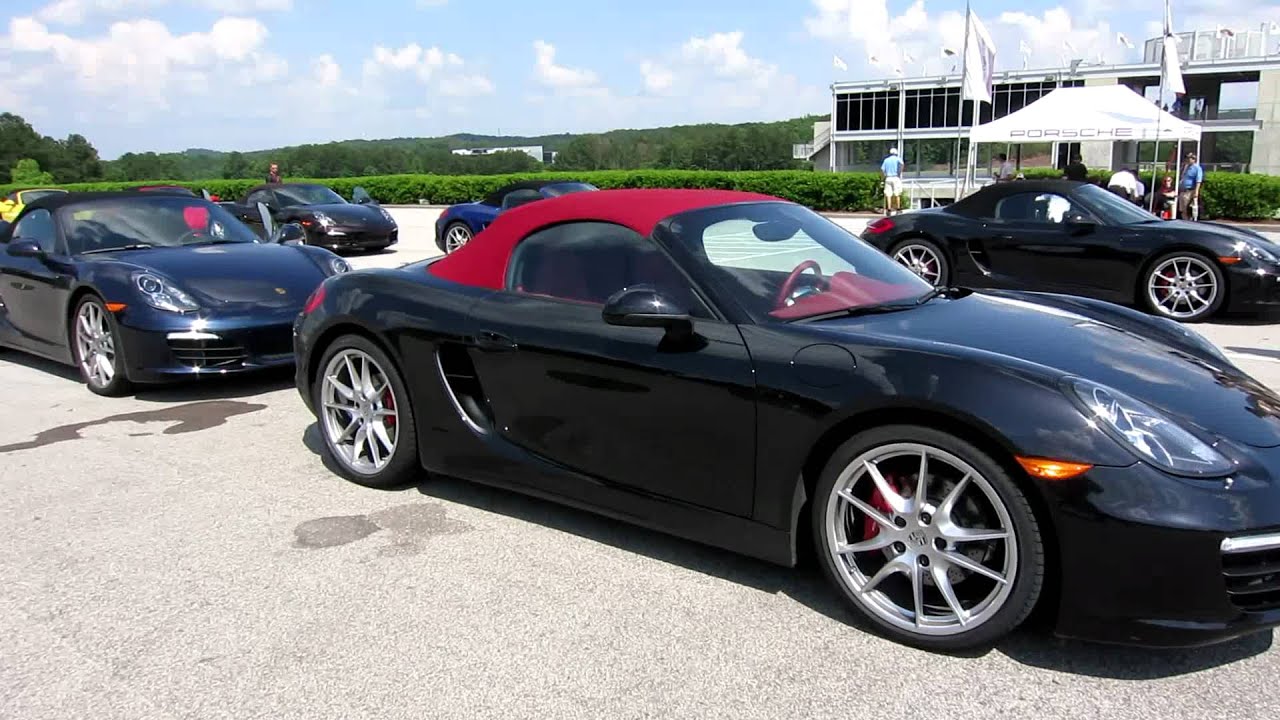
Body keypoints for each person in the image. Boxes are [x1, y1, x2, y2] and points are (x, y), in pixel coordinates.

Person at [1178, 151, 1204, 220]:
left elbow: (1198, 180)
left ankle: (1189, 222)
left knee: (1188, 209)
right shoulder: (1185, 167)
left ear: (1193, 159)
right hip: (1182, 191)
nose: (1187, 160)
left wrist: (1196, 192)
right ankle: (1184, 221)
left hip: (1189, 191)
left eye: (1189, 158)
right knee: (1182, 210)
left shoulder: (1197, 168)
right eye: (1187, 158)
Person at [880, 147, 904, 216]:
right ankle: (898, 209)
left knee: (888, 194)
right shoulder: (897, 159)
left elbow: (882, 169)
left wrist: (883, 177)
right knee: (897, 194)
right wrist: (899, 172)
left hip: (888, 178)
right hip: (895, 177)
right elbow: (902, 164)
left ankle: (889, 209)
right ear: (896, 153)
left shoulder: (886, 160)